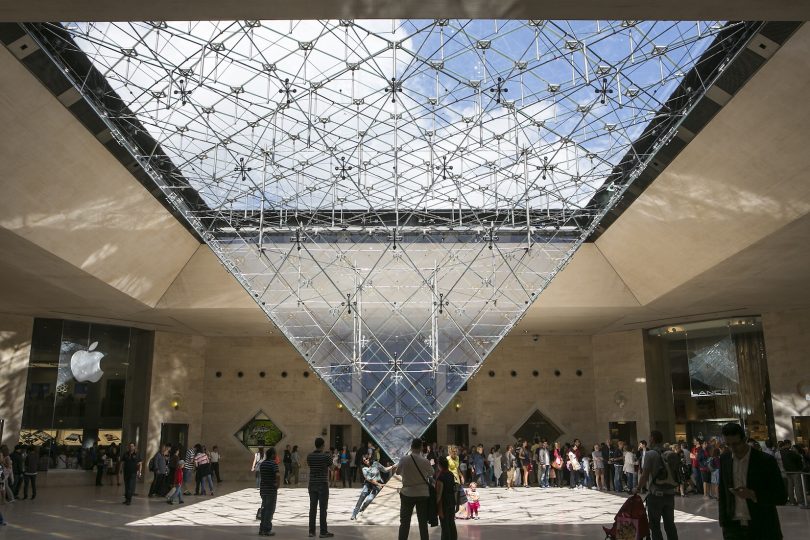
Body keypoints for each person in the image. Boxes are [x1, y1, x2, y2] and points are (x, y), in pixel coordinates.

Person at [718, 422, 786, 540]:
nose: (732, 448)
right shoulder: (725, 459)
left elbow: (781, 496)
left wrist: (753, 494)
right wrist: (723, 522)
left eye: (735, 444)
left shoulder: (765, 461)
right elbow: (723, 492)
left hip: (762, 525)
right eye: (728, 445)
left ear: (745, 439)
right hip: (733, 528)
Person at [635, 430, 678, 540]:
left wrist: (638, 488)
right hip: (670, 494)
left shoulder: (650, 454)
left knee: (654, 525)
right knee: (670, 525)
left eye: (650, 438)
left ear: (652, 439)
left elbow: (645, 475)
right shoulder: (669, 453)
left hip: (656, 495)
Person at [397, 438, 433, 540]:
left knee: (404, 523)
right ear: (421, 447)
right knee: (422, 523)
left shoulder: (404, 459)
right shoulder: (425, 461)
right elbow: (432, 473)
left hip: (407, 493)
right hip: (422, 494)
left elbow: (397, 473)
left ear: (411, 447)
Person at [350, 453, 393, 519]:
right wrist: (379, 484)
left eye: (367, 459)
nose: (366, 461)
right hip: (368, 485)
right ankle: (354, 514)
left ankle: (363, 507)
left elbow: (385, 470)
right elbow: (369, 479)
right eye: (364, 460)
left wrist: (393, 466)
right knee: (361, 499)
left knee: (369, 499)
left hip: (375, 486)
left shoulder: (376, 464)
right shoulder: (364, 468)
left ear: (369, 458)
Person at [306, 437, 333, 538]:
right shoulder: (326, 456)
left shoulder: (309, 456)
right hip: (322, 484)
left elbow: (310, 465)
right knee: (323, 509)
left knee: (312, 508)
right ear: (322, 445)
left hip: (312, 483)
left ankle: (311, 532)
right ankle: (323, 532)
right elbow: (332, 467)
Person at [258, 447, 281, 537]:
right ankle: (267, 529)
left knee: (264, 509)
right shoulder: (273, 464)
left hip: (263, 489)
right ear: (272, 455)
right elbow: (278, 475)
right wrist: (277, 485)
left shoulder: (263, 464)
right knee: (270, 510)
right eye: (275, 454)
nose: (276, 455)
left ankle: (261, 529)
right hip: (271, 490)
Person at [435, 456, 457, 540]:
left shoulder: (441, 477)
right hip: (451, 501)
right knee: (451, 523)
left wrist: (435, 505)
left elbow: (439, 494)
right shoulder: (450, 474)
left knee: (445, 525)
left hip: (443, 504)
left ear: (439, 465)